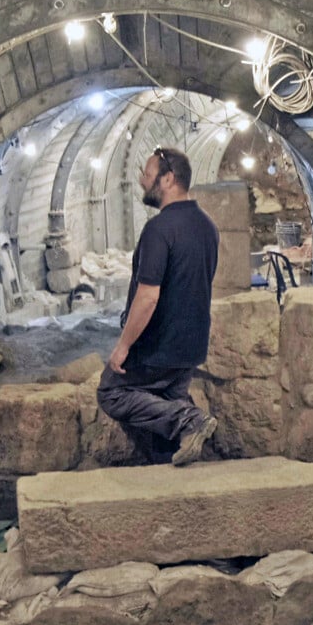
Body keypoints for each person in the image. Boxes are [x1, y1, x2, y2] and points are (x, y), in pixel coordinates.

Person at [99, 146, 220, 466]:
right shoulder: (207, 225)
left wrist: (124, 345)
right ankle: (173, 488)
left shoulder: (159, 229)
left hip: (157, 347)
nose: (141, 181)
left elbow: (148, 296)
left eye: (148, 174)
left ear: (168, 179)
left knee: (111, 393)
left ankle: (190, 420)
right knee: (165, 422)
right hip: (191, 345)